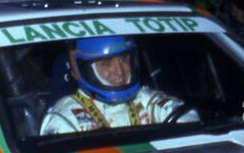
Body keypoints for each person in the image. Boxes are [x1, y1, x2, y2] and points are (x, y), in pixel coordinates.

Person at [40, 35, 196, 135]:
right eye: (106, 64)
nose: (119, 72)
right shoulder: (65, 117)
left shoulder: (143, 98)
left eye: (123, 59)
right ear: (83, 70)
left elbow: (186, 117)